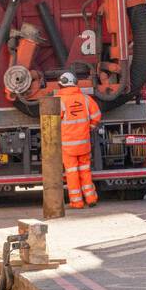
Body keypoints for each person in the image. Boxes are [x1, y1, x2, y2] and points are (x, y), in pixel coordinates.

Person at [58, 71, 101, 209]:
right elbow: (96, 116)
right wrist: (90, 127)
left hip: (68, 146)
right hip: (84, 144)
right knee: (85, 171)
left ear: (62, 84)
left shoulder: (59, 100)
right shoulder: (86, 99)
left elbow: (54, 120)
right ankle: (91, 198)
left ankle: (77, 202)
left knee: (72, 173)